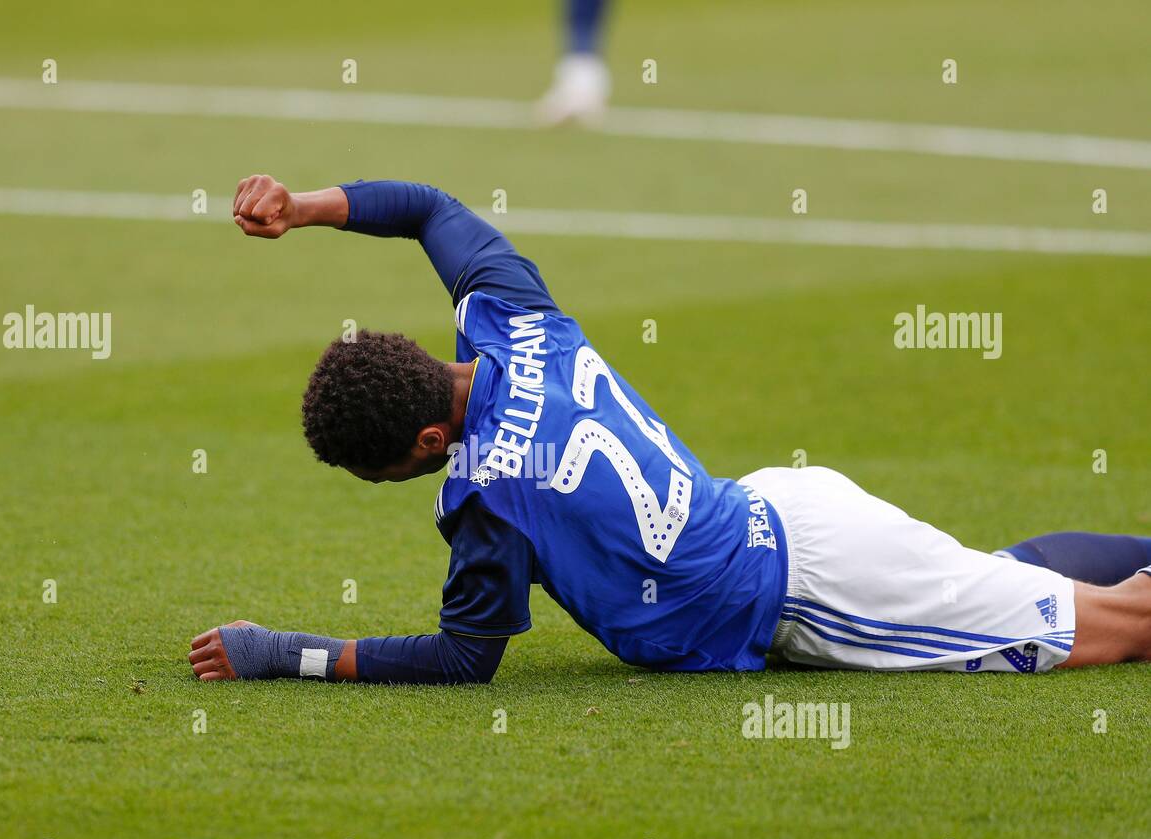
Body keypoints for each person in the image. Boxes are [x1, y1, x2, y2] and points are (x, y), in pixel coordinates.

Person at [187, 174, 1151, 684]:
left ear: (428, 446)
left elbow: (460, 661)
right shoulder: (512, 319)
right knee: (1000, 582)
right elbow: (433, 209)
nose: (393, 486)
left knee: (1106, 632)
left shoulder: (486, 501)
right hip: (782, 510)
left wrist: (285, 652)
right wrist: (302, 207)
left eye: (383, 473)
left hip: (804, 589)